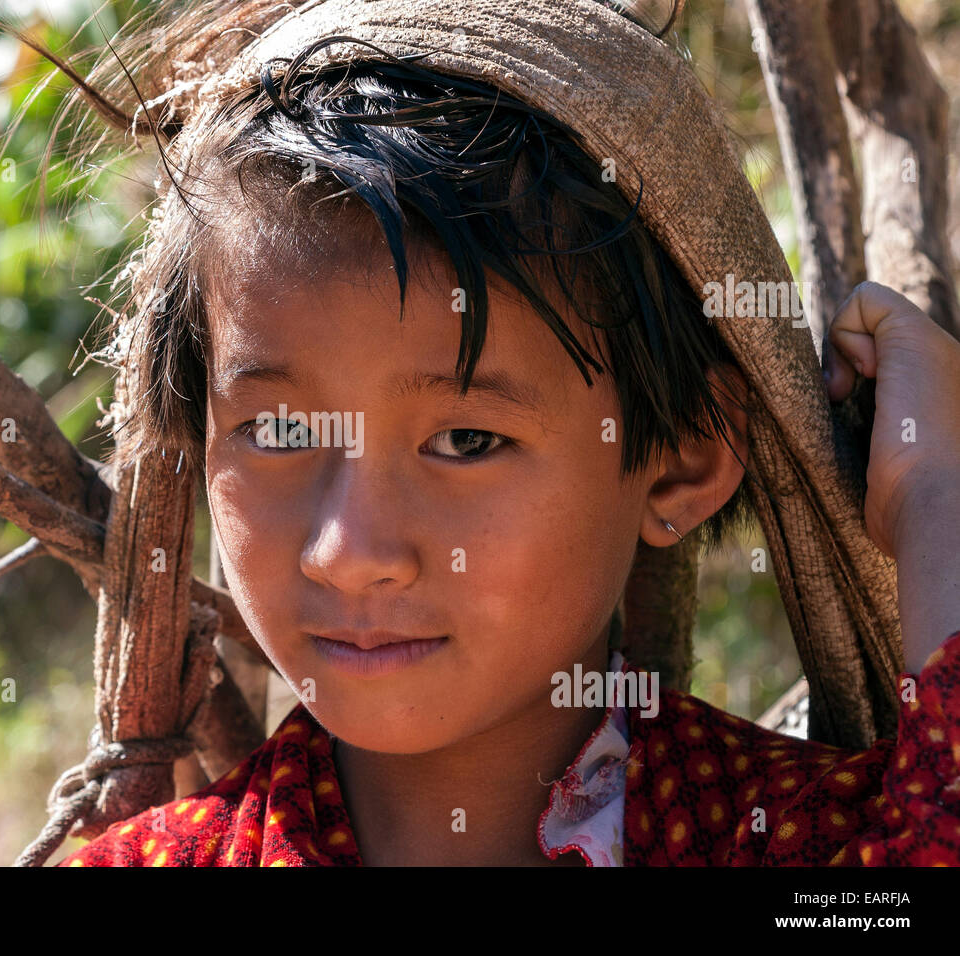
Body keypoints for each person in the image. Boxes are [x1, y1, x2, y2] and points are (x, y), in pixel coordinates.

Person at [54, 2, 960, 866]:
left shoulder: (804, 848)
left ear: (684, 457)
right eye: (283, 430)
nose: (349, 551)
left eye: (466, 442)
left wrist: (937, 498)